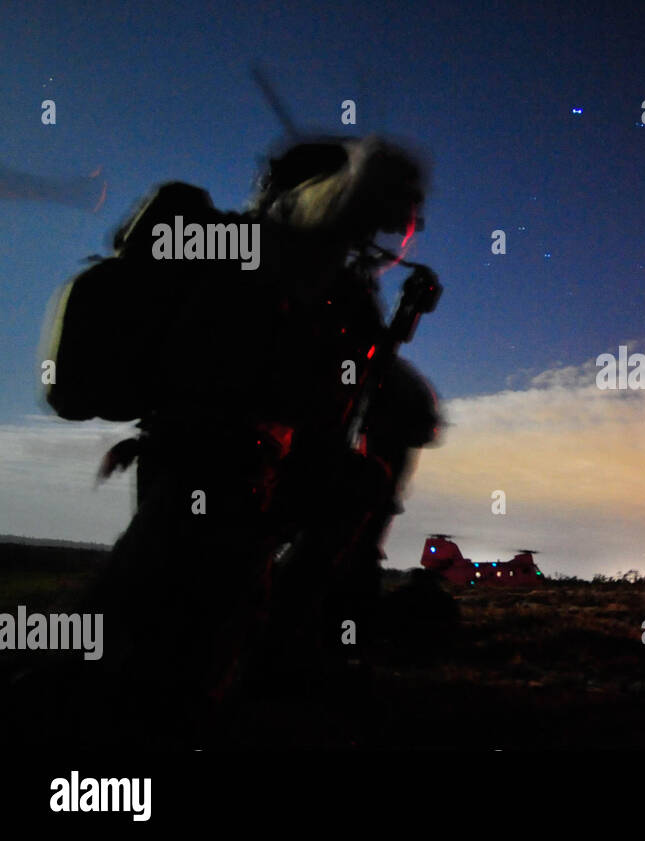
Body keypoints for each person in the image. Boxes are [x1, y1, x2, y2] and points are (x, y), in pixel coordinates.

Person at [50, 135, 440, 734]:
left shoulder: (334, 290)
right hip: (208, 458)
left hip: (274, 465)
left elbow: (379, 390)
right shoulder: (246, 246)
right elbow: (302, 219)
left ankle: (265, 660)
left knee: (356, 486)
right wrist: (355, 186)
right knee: (159, 630)